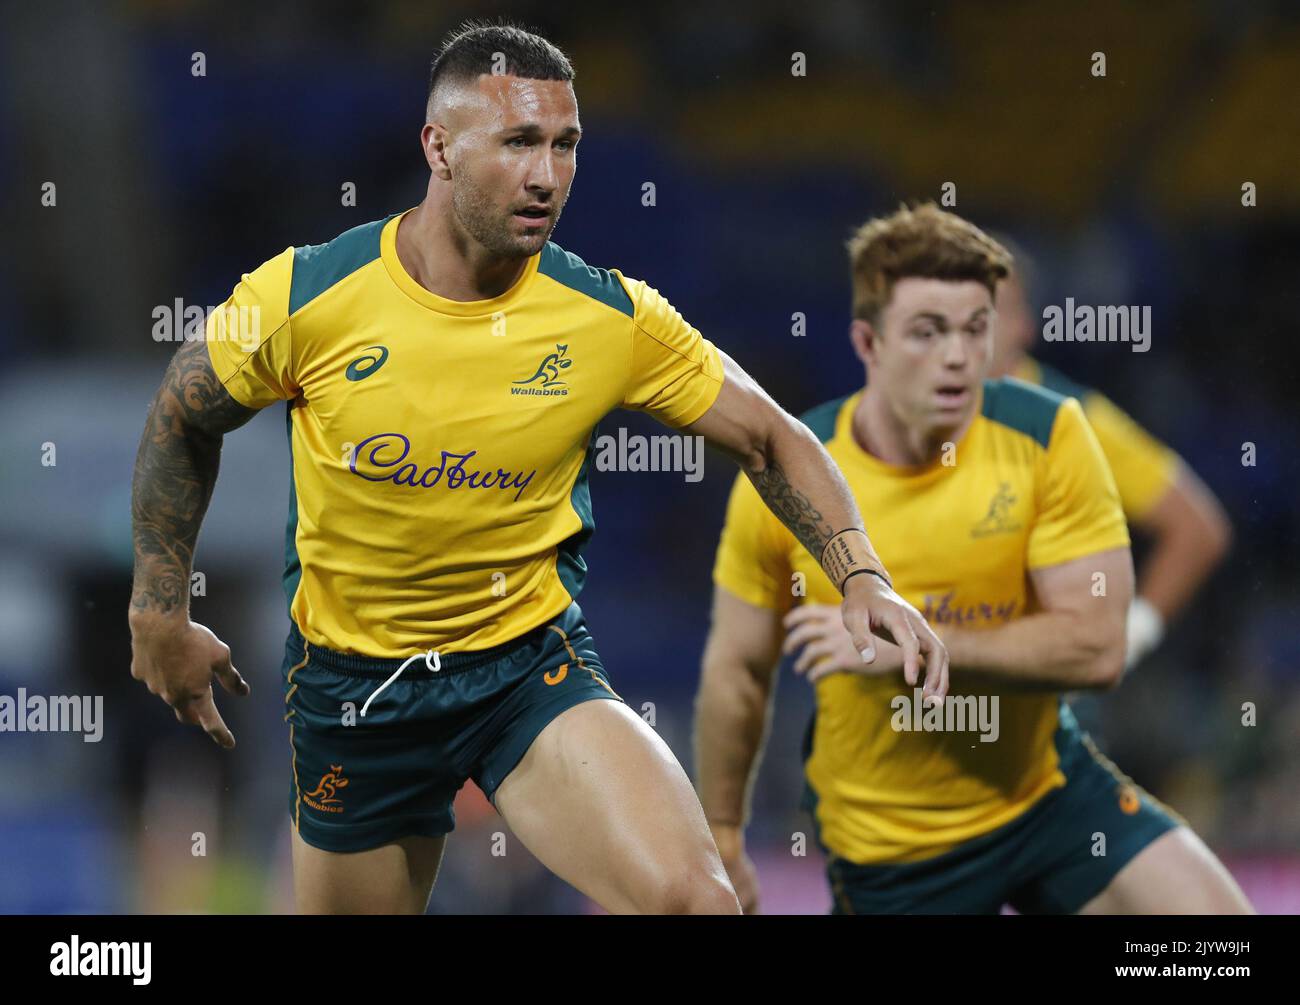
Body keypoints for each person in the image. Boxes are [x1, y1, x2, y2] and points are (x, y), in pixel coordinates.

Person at [127, 21, 945, 915]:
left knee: (700, 902)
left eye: (565, 146)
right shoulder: (307, 296)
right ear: (439, 146)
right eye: (519, 142)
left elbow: (773, 435)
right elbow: (181, 415)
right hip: (356, 694)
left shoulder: (606, 316)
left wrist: (861, 571)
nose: (547, 175)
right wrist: (159, 611)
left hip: (525, 675)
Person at [694, 202, 1251, 914]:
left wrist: (921, 645)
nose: (960, 356)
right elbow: (738, 665)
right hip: (894, 858)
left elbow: (1099, 650)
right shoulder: (790, 476)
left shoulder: (1052, 429)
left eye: (975, 328)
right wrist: (724, 828)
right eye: (929, 332)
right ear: (868, 342)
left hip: (1048, 800)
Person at [990, 246, 1232, 672]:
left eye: (994, 310)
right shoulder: (902, 417)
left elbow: (1198, 528)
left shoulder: (1072, 416)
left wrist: (1131, 637)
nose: (975, 330)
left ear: (1024, 326)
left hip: (1048, 701)